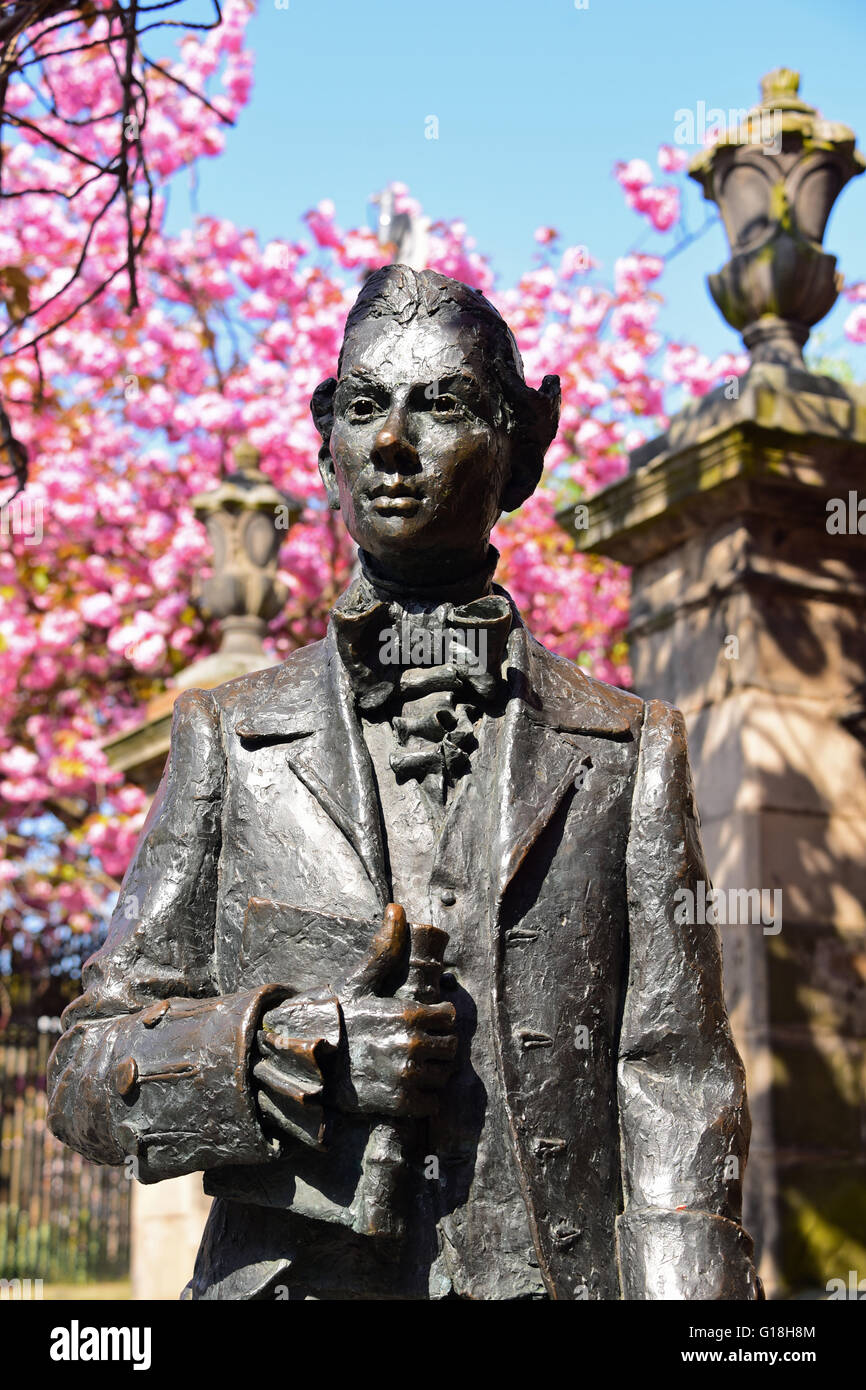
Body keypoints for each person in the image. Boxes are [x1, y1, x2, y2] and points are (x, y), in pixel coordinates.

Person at [47, 265, 760, 1300]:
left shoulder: (628, 750)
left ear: (521, 447)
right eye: (362, 405)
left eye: (440, 405)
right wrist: (283, 1051)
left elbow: (676, 1087)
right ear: (325, 447)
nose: (388, 442)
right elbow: (84, 1071)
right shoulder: (227, 737)